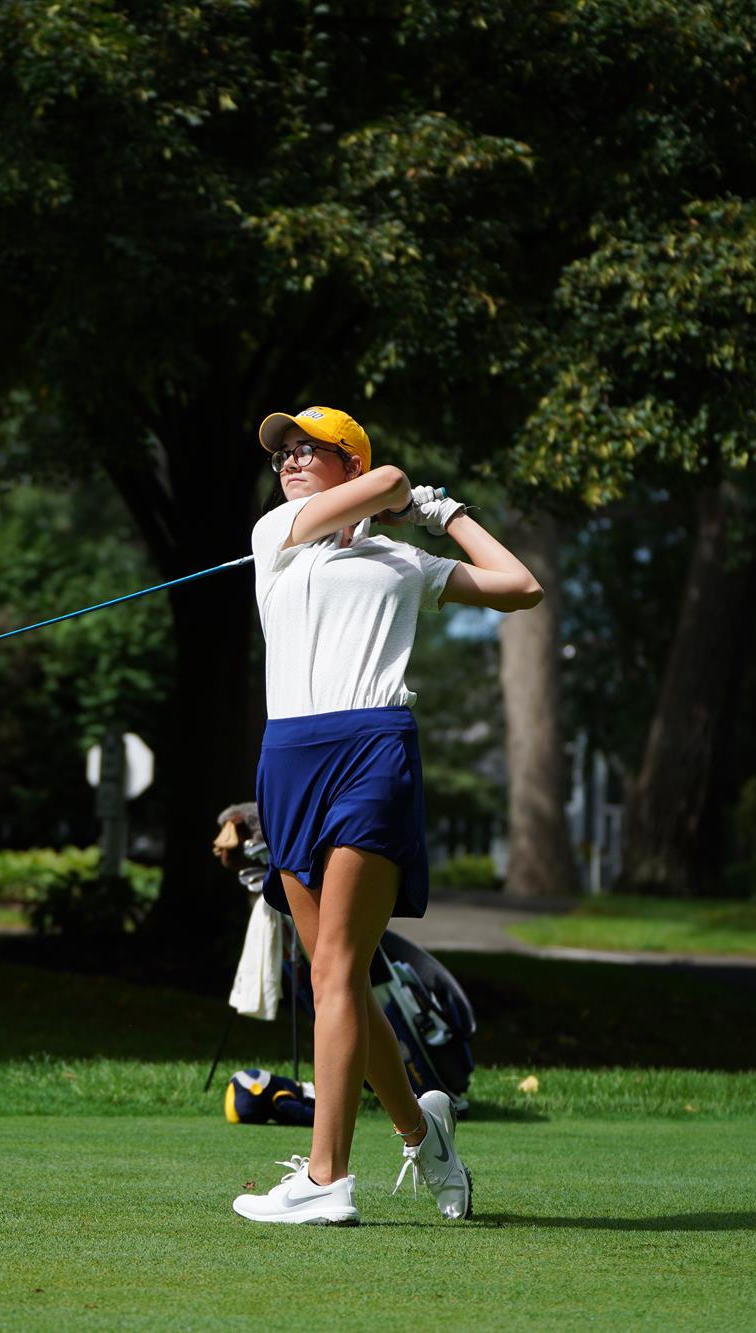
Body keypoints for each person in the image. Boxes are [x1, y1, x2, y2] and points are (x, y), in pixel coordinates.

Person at [232, 406, 541, 1227]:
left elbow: (521, 585)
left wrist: (444, 515)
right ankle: (421, 1127)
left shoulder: (404, 559)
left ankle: (327, 1179)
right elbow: (389, 481)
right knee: (338, 977)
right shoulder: (277, 535)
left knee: (336, 967)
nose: (290, 462)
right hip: (288, 758)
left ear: (350, 461)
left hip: (372, 747)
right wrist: (394, 492)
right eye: (284, 453)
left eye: (310, 450)